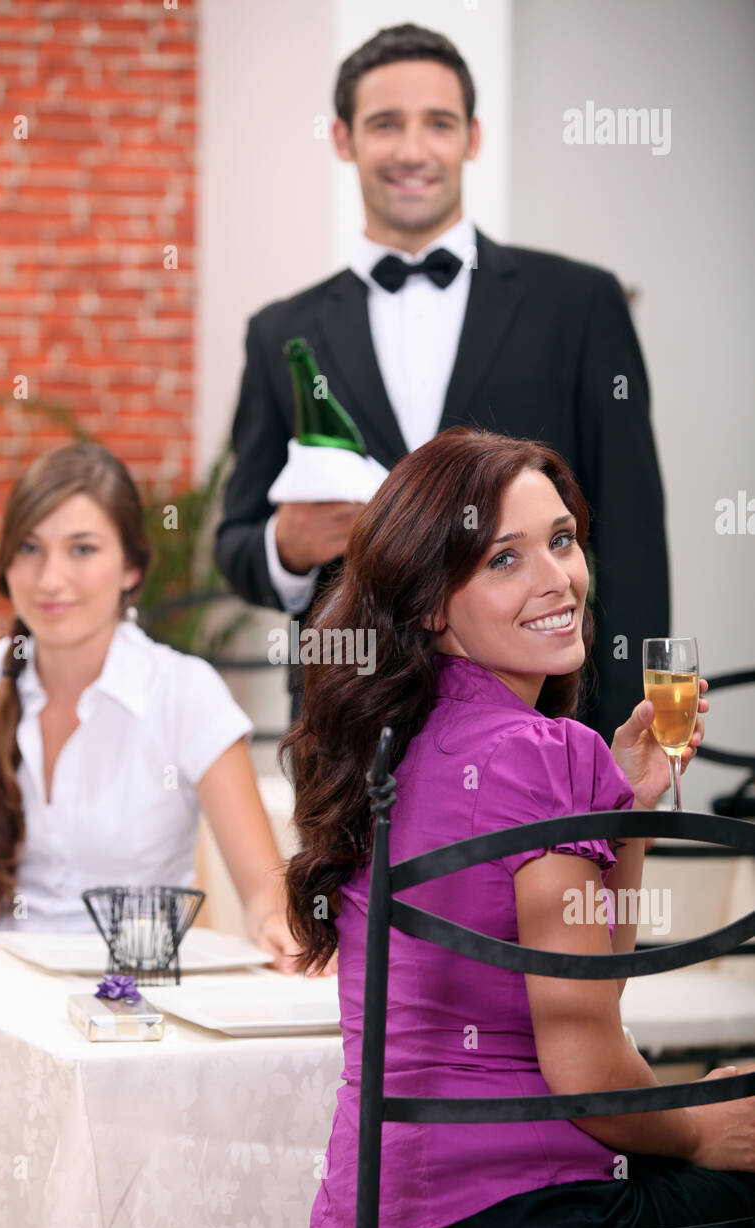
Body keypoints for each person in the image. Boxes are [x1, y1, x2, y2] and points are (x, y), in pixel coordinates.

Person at [280, 426, 755, 1228]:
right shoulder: (541, 751)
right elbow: (583, 1069)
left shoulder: (389, 747)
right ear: (430, 604)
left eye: (562, 541)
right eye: (504, 559)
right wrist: (698, 1126)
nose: (557, 580)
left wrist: (629, 814)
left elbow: (583, 996)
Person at [215, 22, 669, 747]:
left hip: (545, 724)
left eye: (439, 123)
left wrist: (617, 742)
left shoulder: (580, 304)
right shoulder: (280, 332)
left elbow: (633, 535)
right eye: (385, 124)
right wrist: (286, 545)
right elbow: (235, 544)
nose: (413, 150)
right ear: (343, 138)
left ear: (473, 137)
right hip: (352, 730)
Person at [0, 442, 307, 972]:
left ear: (131, 569)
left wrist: (278, 930)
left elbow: (265, 898)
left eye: (82, 549)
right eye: (29, 549)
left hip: (130, 987)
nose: (51, 579)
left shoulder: (185, 692)